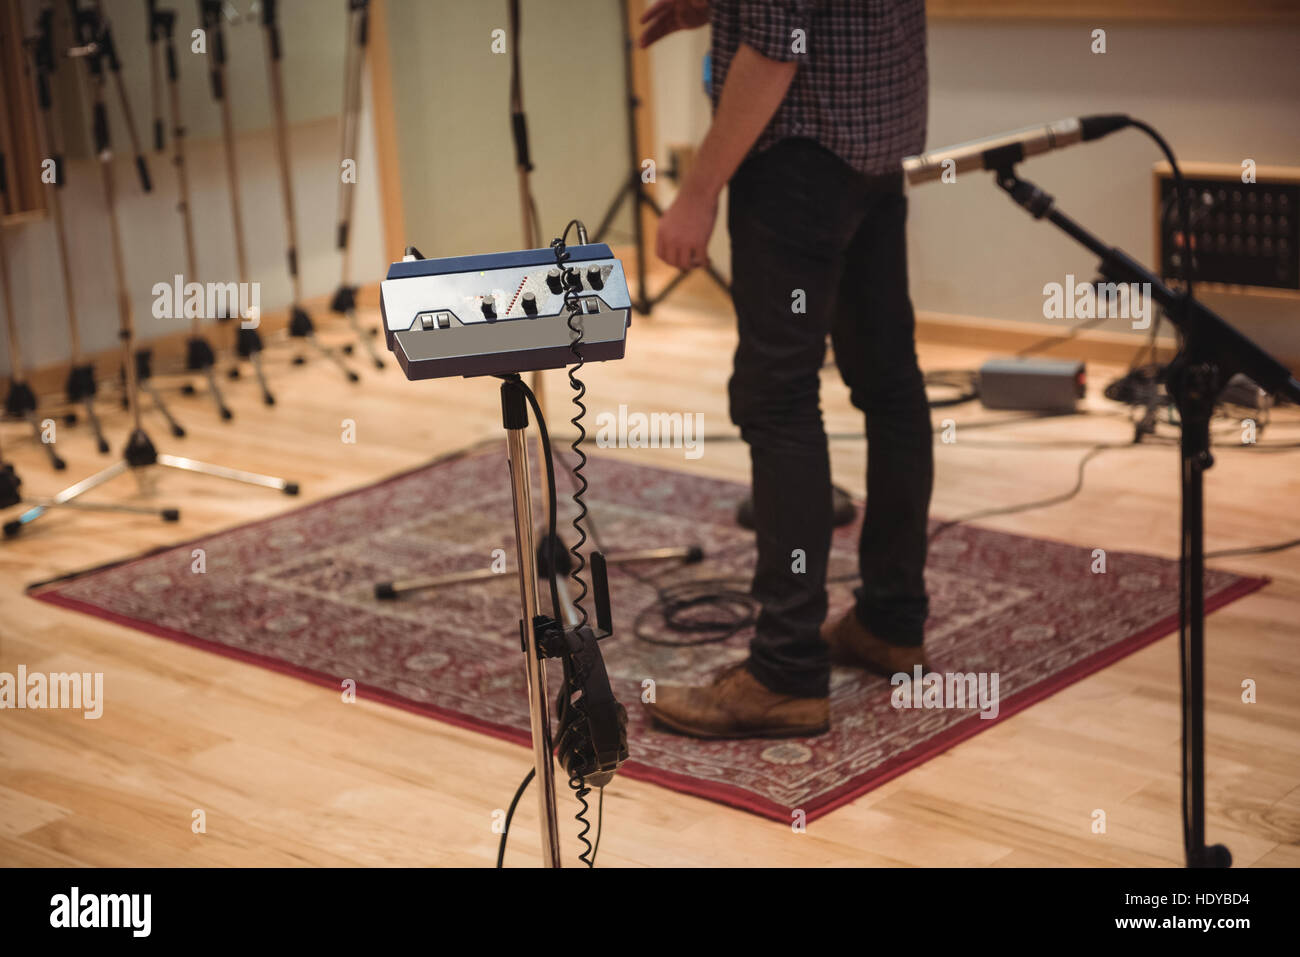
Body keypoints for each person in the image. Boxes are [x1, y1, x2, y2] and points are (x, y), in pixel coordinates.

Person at [639, 0, 935, 739]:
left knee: (778, 400)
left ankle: (784, 675)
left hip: (799, 158)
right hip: (878, 141)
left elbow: (779, 50)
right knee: (888, 382)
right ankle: (890, 622)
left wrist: (697, 193)